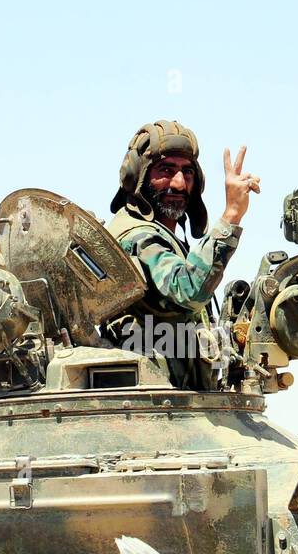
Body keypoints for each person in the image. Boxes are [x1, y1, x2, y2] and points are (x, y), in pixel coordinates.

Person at [104, 120, 260, 388]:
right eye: (166, 170)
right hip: (154, 407)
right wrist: (231, 215)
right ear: (137, 176)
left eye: (187, 172)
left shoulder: (166, 238)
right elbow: (188, 290)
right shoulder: (138, 237)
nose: (178, 183)